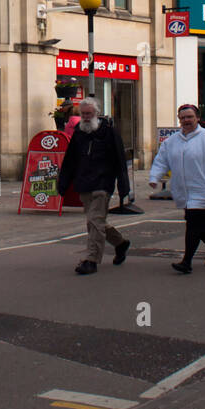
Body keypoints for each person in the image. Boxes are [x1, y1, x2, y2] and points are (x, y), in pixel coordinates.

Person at [150, 104, 205, 273]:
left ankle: (186, 262)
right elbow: (161, 160)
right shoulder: (172, 141)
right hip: (183, 191)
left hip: (204, 190)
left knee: (193, 224)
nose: (186, 120)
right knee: (199, 225)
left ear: (197, 118)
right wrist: (154, 177)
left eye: (189, 117)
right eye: (183, 118)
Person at [57, 97, 131, 275]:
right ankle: (120, 243)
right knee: (95, 220)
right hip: (84, 183)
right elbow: (70, 160)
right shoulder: (79, 132)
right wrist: (63, 183)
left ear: (97, 113)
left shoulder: (109, 132)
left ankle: (91, 260)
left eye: (89, 113)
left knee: (94, 221)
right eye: (83, 114)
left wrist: (123, 186)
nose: (86, 117)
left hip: (103, 182)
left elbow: (120, 160)